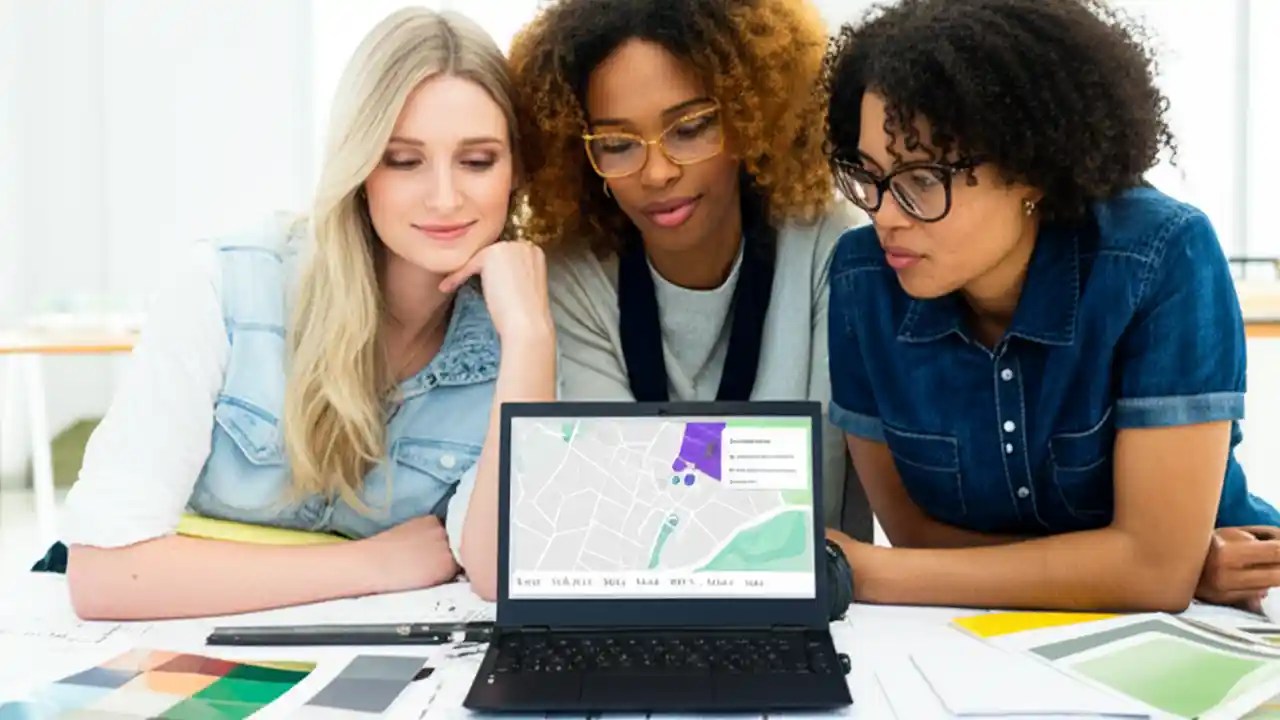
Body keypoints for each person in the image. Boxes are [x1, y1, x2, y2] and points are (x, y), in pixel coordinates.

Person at [59, 7, 554, 619]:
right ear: (359, 165)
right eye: (404, 160)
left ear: (515, 174)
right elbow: (105, 575)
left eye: (477, 161)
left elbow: (500, 572)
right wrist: (367, 565)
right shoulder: (225, 288)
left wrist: (531, 340)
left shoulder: (514, 336)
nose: (446, 196)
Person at [820, 0, 1280, 613]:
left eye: (921, 180)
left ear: (1030, 169)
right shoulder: (862, 281)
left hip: (1221, 613)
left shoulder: (1160, 257)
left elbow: (1152, 576)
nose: (883, 214)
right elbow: (918, 537)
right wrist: (1134, 566)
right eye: (869, 174)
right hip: (977, 636)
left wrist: (867, 574)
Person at [506, 0, 870, 535]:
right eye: (616, 144)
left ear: (752, 118)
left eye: (692, 128)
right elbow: (610, 508)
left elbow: (806, 505)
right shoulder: (569, 277)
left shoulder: (831, 247)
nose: (657, 172)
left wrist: (666, 465)